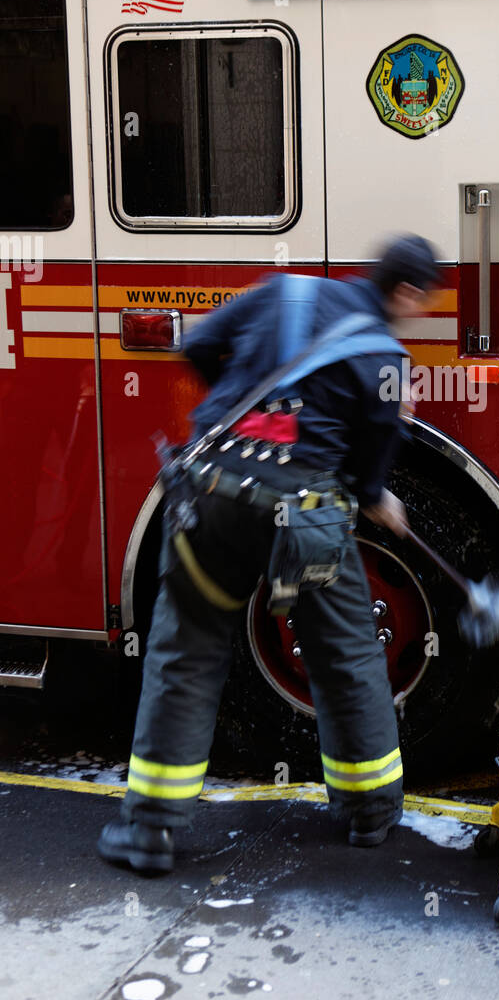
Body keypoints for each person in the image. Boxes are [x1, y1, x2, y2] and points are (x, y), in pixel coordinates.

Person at [97, 235, 441, 874]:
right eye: (425, 301)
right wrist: (374, 496)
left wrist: (239, 406)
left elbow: (197, 344)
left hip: (212, 497)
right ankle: (370, 814)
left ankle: (150, 834)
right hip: (309, 520)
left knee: (185, 653)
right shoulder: (388, 359)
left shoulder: (285, 289)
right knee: (348, 657)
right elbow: (370, 464)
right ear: (406, 293)